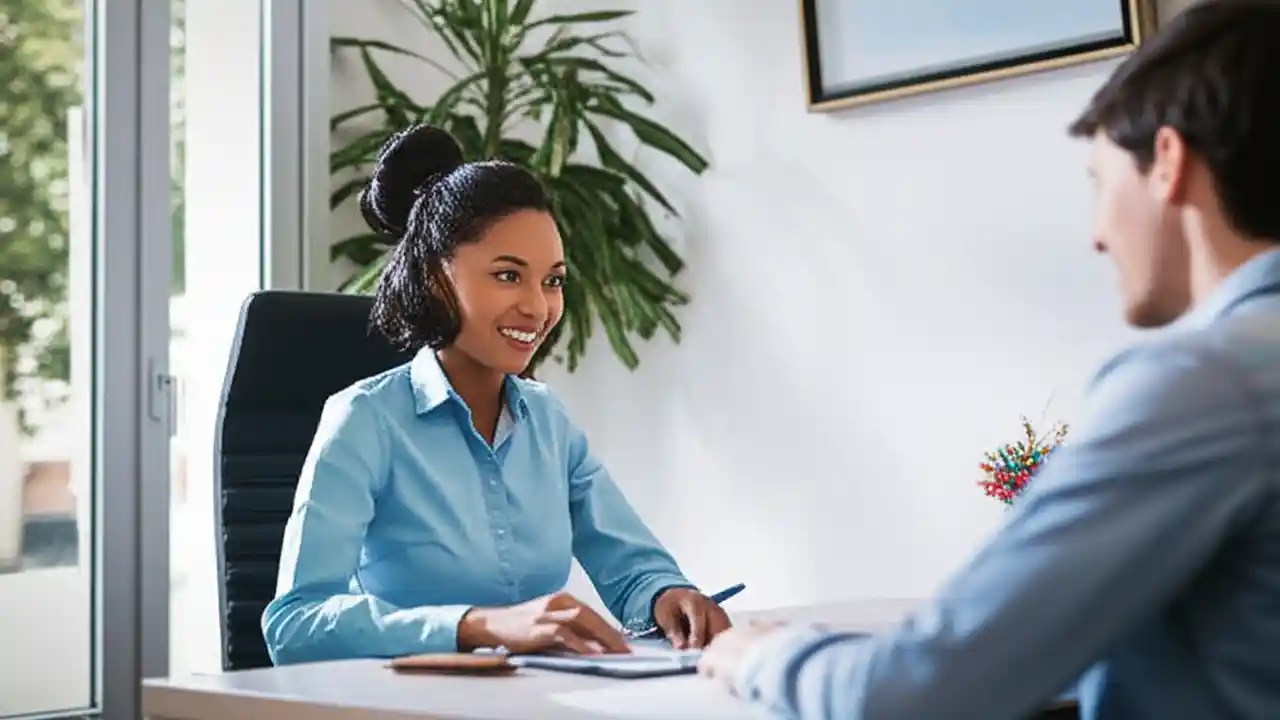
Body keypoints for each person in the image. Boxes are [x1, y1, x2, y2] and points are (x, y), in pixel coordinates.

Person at [698, 1, 1280, 717]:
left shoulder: (1206, 383)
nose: (1098, 236)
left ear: (1166, 162)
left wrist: (760, 653)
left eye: (1099, 184)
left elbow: (911, 695)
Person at [262, 125, 730, 665]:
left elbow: (632, 565)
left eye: (552, 281)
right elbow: (294, 625)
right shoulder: (365, 420)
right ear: (437, 278)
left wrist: (666, 596)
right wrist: (477, 626)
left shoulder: (548, 420)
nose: (537, 307)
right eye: (509, 275)